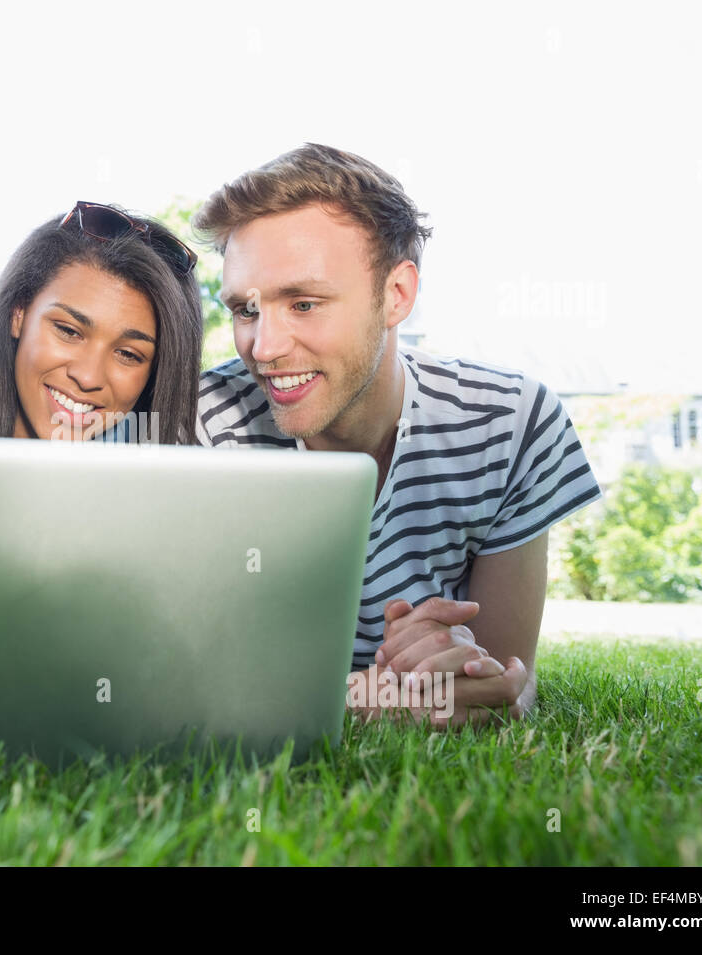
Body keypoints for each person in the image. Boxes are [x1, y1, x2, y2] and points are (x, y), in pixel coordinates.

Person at [191, 144, 604, 727]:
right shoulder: (202, 426)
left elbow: (508, 681)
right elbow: (188, 681)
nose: (265, 348)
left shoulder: (511, 423)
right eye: (245, 310)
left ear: (396, 295)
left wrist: (465, 678)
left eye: (304, 303)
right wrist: (365, 703)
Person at [0, 201, 204, 444]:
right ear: (18, 314)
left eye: (128, 354)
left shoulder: (151, 467)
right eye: (68, 331)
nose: (87, 376)